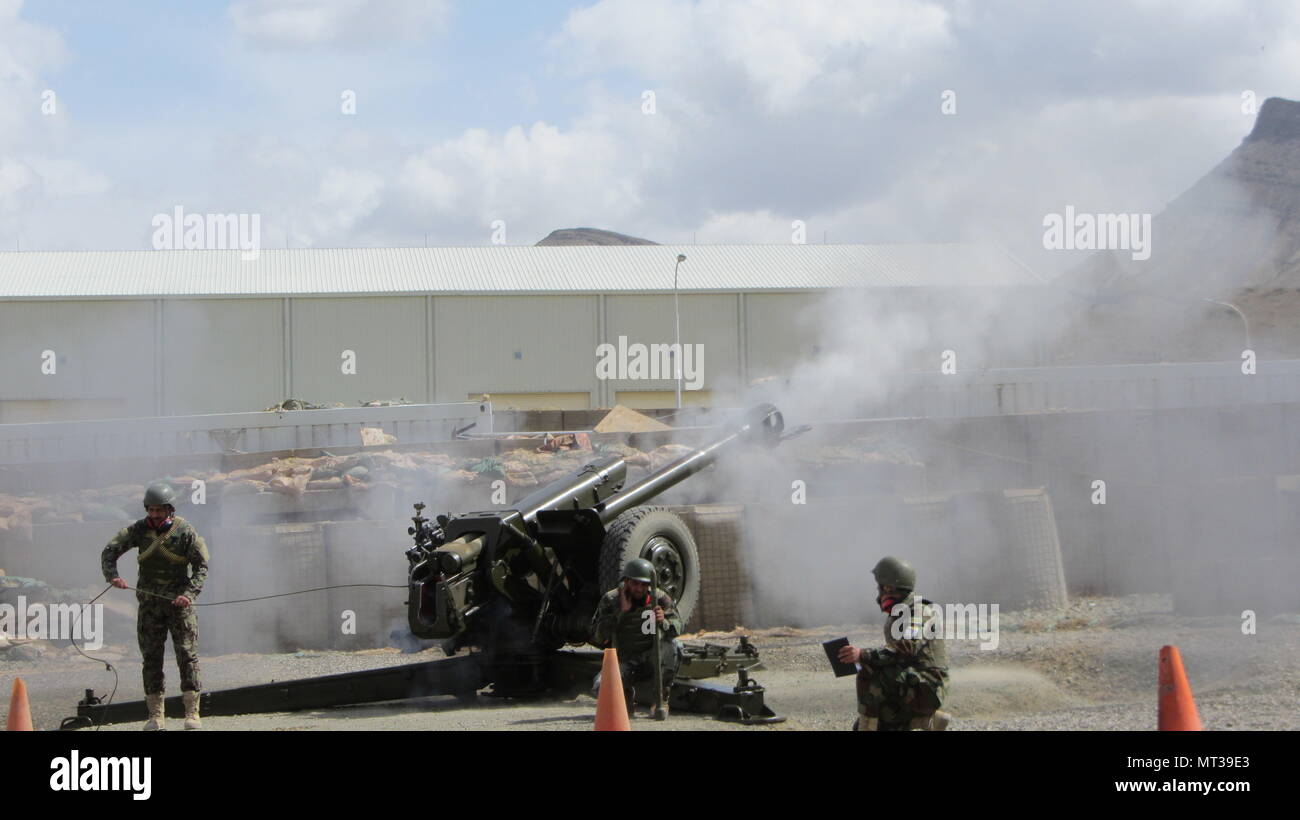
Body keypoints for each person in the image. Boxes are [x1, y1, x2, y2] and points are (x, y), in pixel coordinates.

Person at [101, 482, 209, 730]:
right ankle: (155, 716)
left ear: (170, 510)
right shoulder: (138, 530)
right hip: (150, 606)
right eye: (150, 510)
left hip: (179, 605)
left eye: (159, 510)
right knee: (151, 659)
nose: (154, 515)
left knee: (187, 657)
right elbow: (110, 551)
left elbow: (201, 566)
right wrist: (113, 577)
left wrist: (189, 594)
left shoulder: (185, 532)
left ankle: (192, 713)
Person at [838, 556, 951, 731]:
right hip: (910, 681)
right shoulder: (902, 612)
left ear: (889, 587)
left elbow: (906, 646)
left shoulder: (920, 613)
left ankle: (870, 725)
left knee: (871, 672)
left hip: (928, 686)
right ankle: (923, 721)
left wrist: (863, 655)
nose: (879, 592)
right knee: (886, 721)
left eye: (881, 587)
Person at [589, 558, 682, 715]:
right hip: (624, 660)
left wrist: (663, 621)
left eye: (644, 584)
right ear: (626, 582)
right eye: (635, 583)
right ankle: (625, 696)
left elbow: (677, 628)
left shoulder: (660, 598)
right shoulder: (611, 600)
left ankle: (661, 696)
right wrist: (620, 613)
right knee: (600, 687)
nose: (639, 589)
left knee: (675, 646)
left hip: (651, 657)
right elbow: (597, 637)